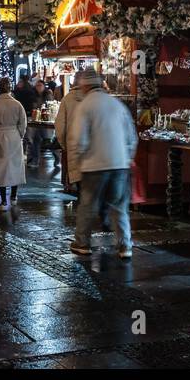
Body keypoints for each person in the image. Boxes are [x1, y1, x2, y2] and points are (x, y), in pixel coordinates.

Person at [69, 68, 138, 258]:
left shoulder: (85, 106)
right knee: (119, 207)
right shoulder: (116, 104)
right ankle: (125, 246)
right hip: (119, 163)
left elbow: (78, 139)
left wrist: (77, 162)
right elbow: (131, 136)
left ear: (84, 85)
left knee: (88, 205)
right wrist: (128, 157)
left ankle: (82, 242)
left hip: (94, 165)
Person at [0, 77, 27, 211]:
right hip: (14, 136)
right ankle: (14, 196)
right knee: (14, 167)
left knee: (1, 169)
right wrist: (19, 134)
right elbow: (23, 123)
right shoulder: (17, 104)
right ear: (10, 88)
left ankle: (3, 201)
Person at [53, 75, 86, 192]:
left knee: (76, 176)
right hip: (90, 145)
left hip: (72, 142)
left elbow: (60, 124)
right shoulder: (92, 98)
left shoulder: (67, 99)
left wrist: (64, 143)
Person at [13, 75, 40, 166]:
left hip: (24, 116)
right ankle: (30, 158)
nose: (18, 83)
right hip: (28, 115)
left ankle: (29, 158)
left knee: (28, 138)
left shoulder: (21, 91)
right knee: (29, 138)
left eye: (20, 81)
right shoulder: (30, 90)